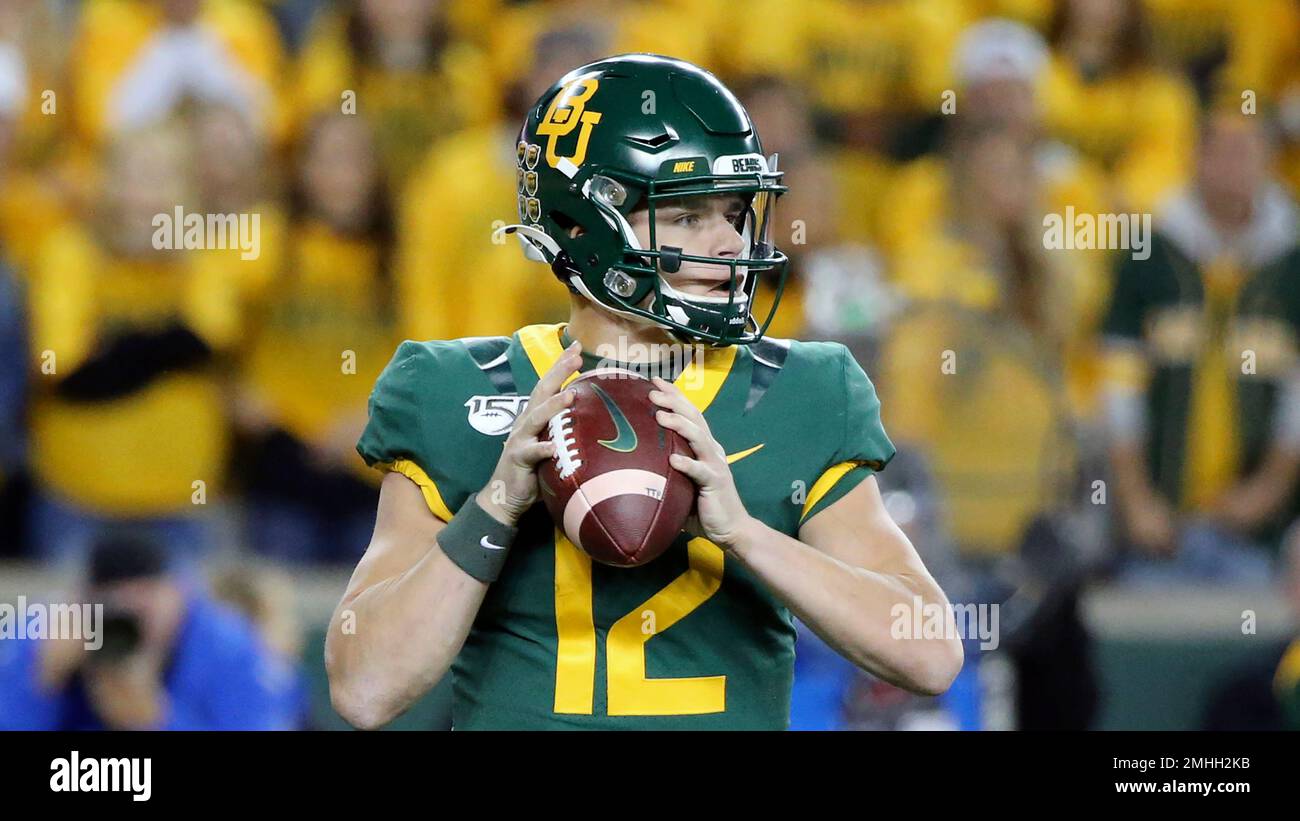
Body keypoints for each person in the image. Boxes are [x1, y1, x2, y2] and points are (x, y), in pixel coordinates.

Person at [326, 54, 963, 730]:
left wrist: (744, 534)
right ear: (581, 227)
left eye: (735, 211)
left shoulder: (801, 387)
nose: (728, 241)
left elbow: (928, 652)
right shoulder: (456, 388)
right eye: (687, 217)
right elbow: (366, 688)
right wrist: (495, 507)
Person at [0, 535, 306, 730]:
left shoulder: (228, 644)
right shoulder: (46, 630)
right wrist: (41, 682)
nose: (132, 625)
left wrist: (155, 720)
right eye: (117, 609)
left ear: (177, 593)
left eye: (145, 605)